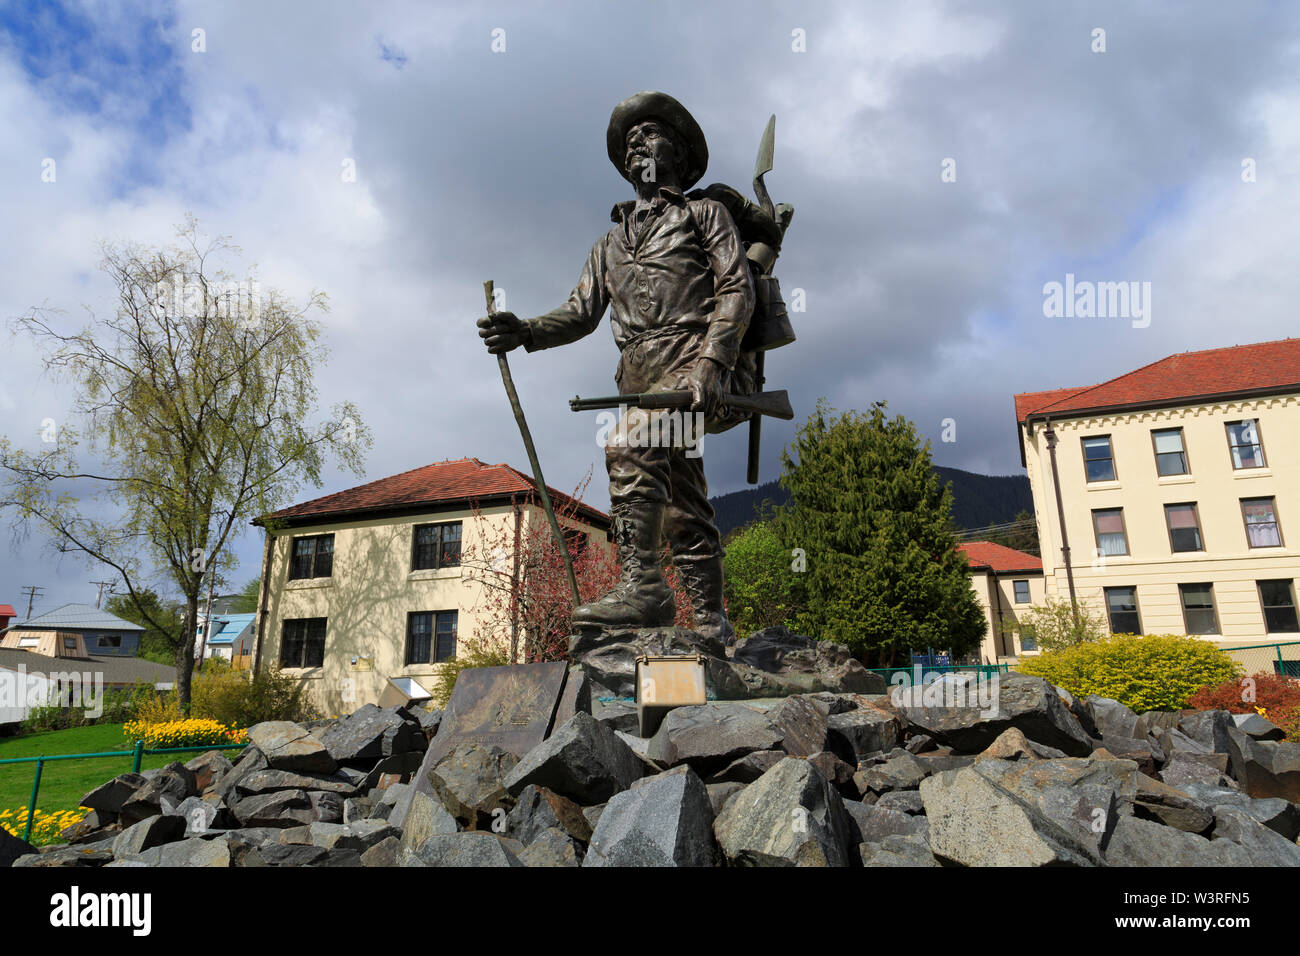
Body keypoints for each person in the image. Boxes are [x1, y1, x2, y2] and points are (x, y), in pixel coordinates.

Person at [478, 91, 756, 644]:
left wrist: (711, 364)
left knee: (628, 444)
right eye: (630, 142)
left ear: (677, 153)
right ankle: (709, 624)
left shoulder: (705, 216)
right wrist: (527, 330)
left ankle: (644, 587)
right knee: (681, 502)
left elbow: (736, 289)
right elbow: (581, 312)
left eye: (650, 135)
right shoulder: (609, 243)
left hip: (696, 371)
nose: (638, 145)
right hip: (637, 379)